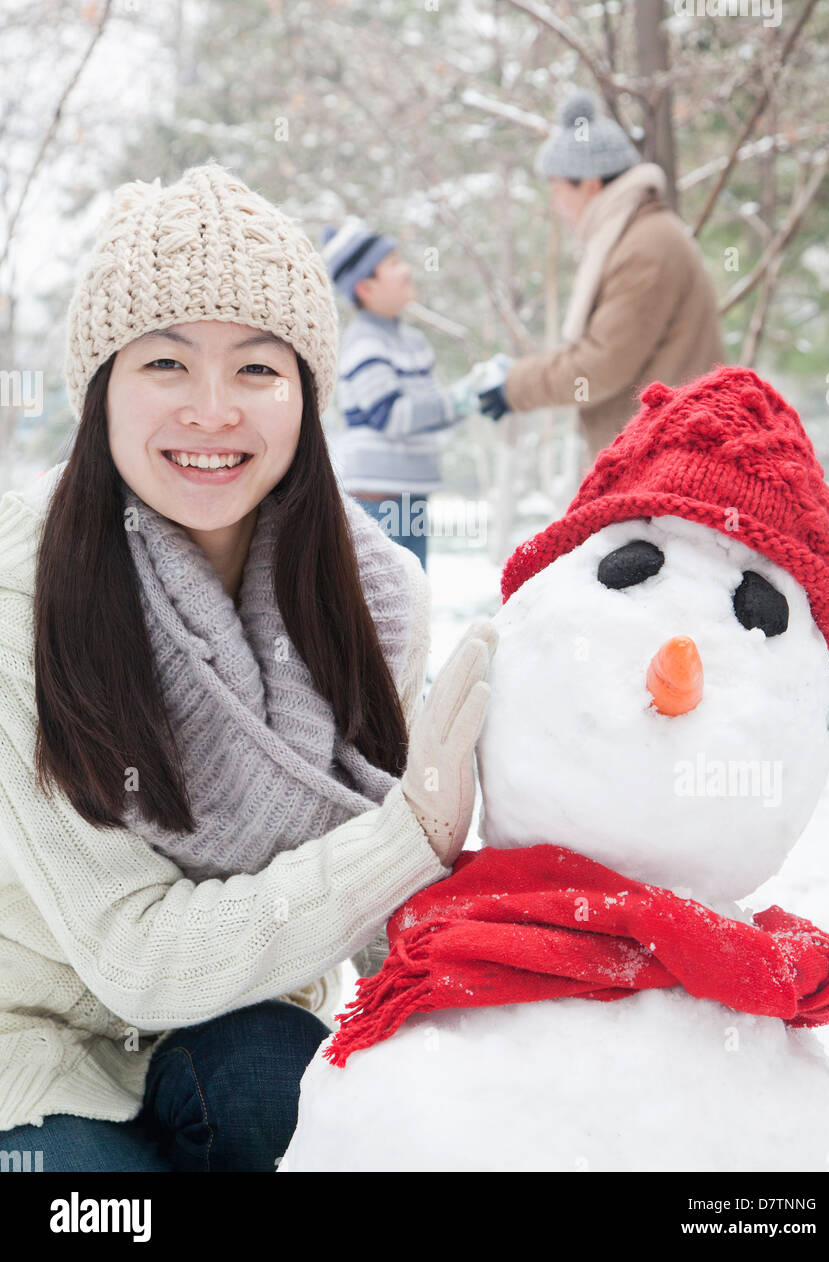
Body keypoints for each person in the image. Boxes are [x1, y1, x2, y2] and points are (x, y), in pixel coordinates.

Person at [0, 162, 496, 1171]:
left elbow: (384, 906)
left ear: (307, 395)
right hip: (39, 1039)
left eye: (258, 369)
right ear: (101, 391)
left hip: (249, 1021)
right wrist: (407, 840)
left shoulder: (377, 597)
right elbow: (134, 956)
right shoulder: (22, 590)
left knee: (298, 1110)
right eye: (167, 365)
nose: (213, 411)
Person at [478, 89, 724, 473]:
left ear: (590, 184)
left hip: (665, 468)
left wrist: (515, 385)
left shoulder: (646, 245)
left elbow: (602, 364)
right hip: (654, 459)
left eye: (557, 188)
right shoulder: (633, 235)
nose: (556, 204)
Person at [321, 218, 480, 571]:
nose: (406, 269)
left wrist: (474, 394)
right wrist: (455, 399)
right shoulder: (364, 341)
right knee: (388, 592)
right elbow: (390, 415)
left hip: (412, 492)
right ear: (366, 288)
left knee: (415, 589)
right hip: (379, 496)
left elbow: (431, 412)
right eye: (393, 264)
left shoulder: (413, 342)